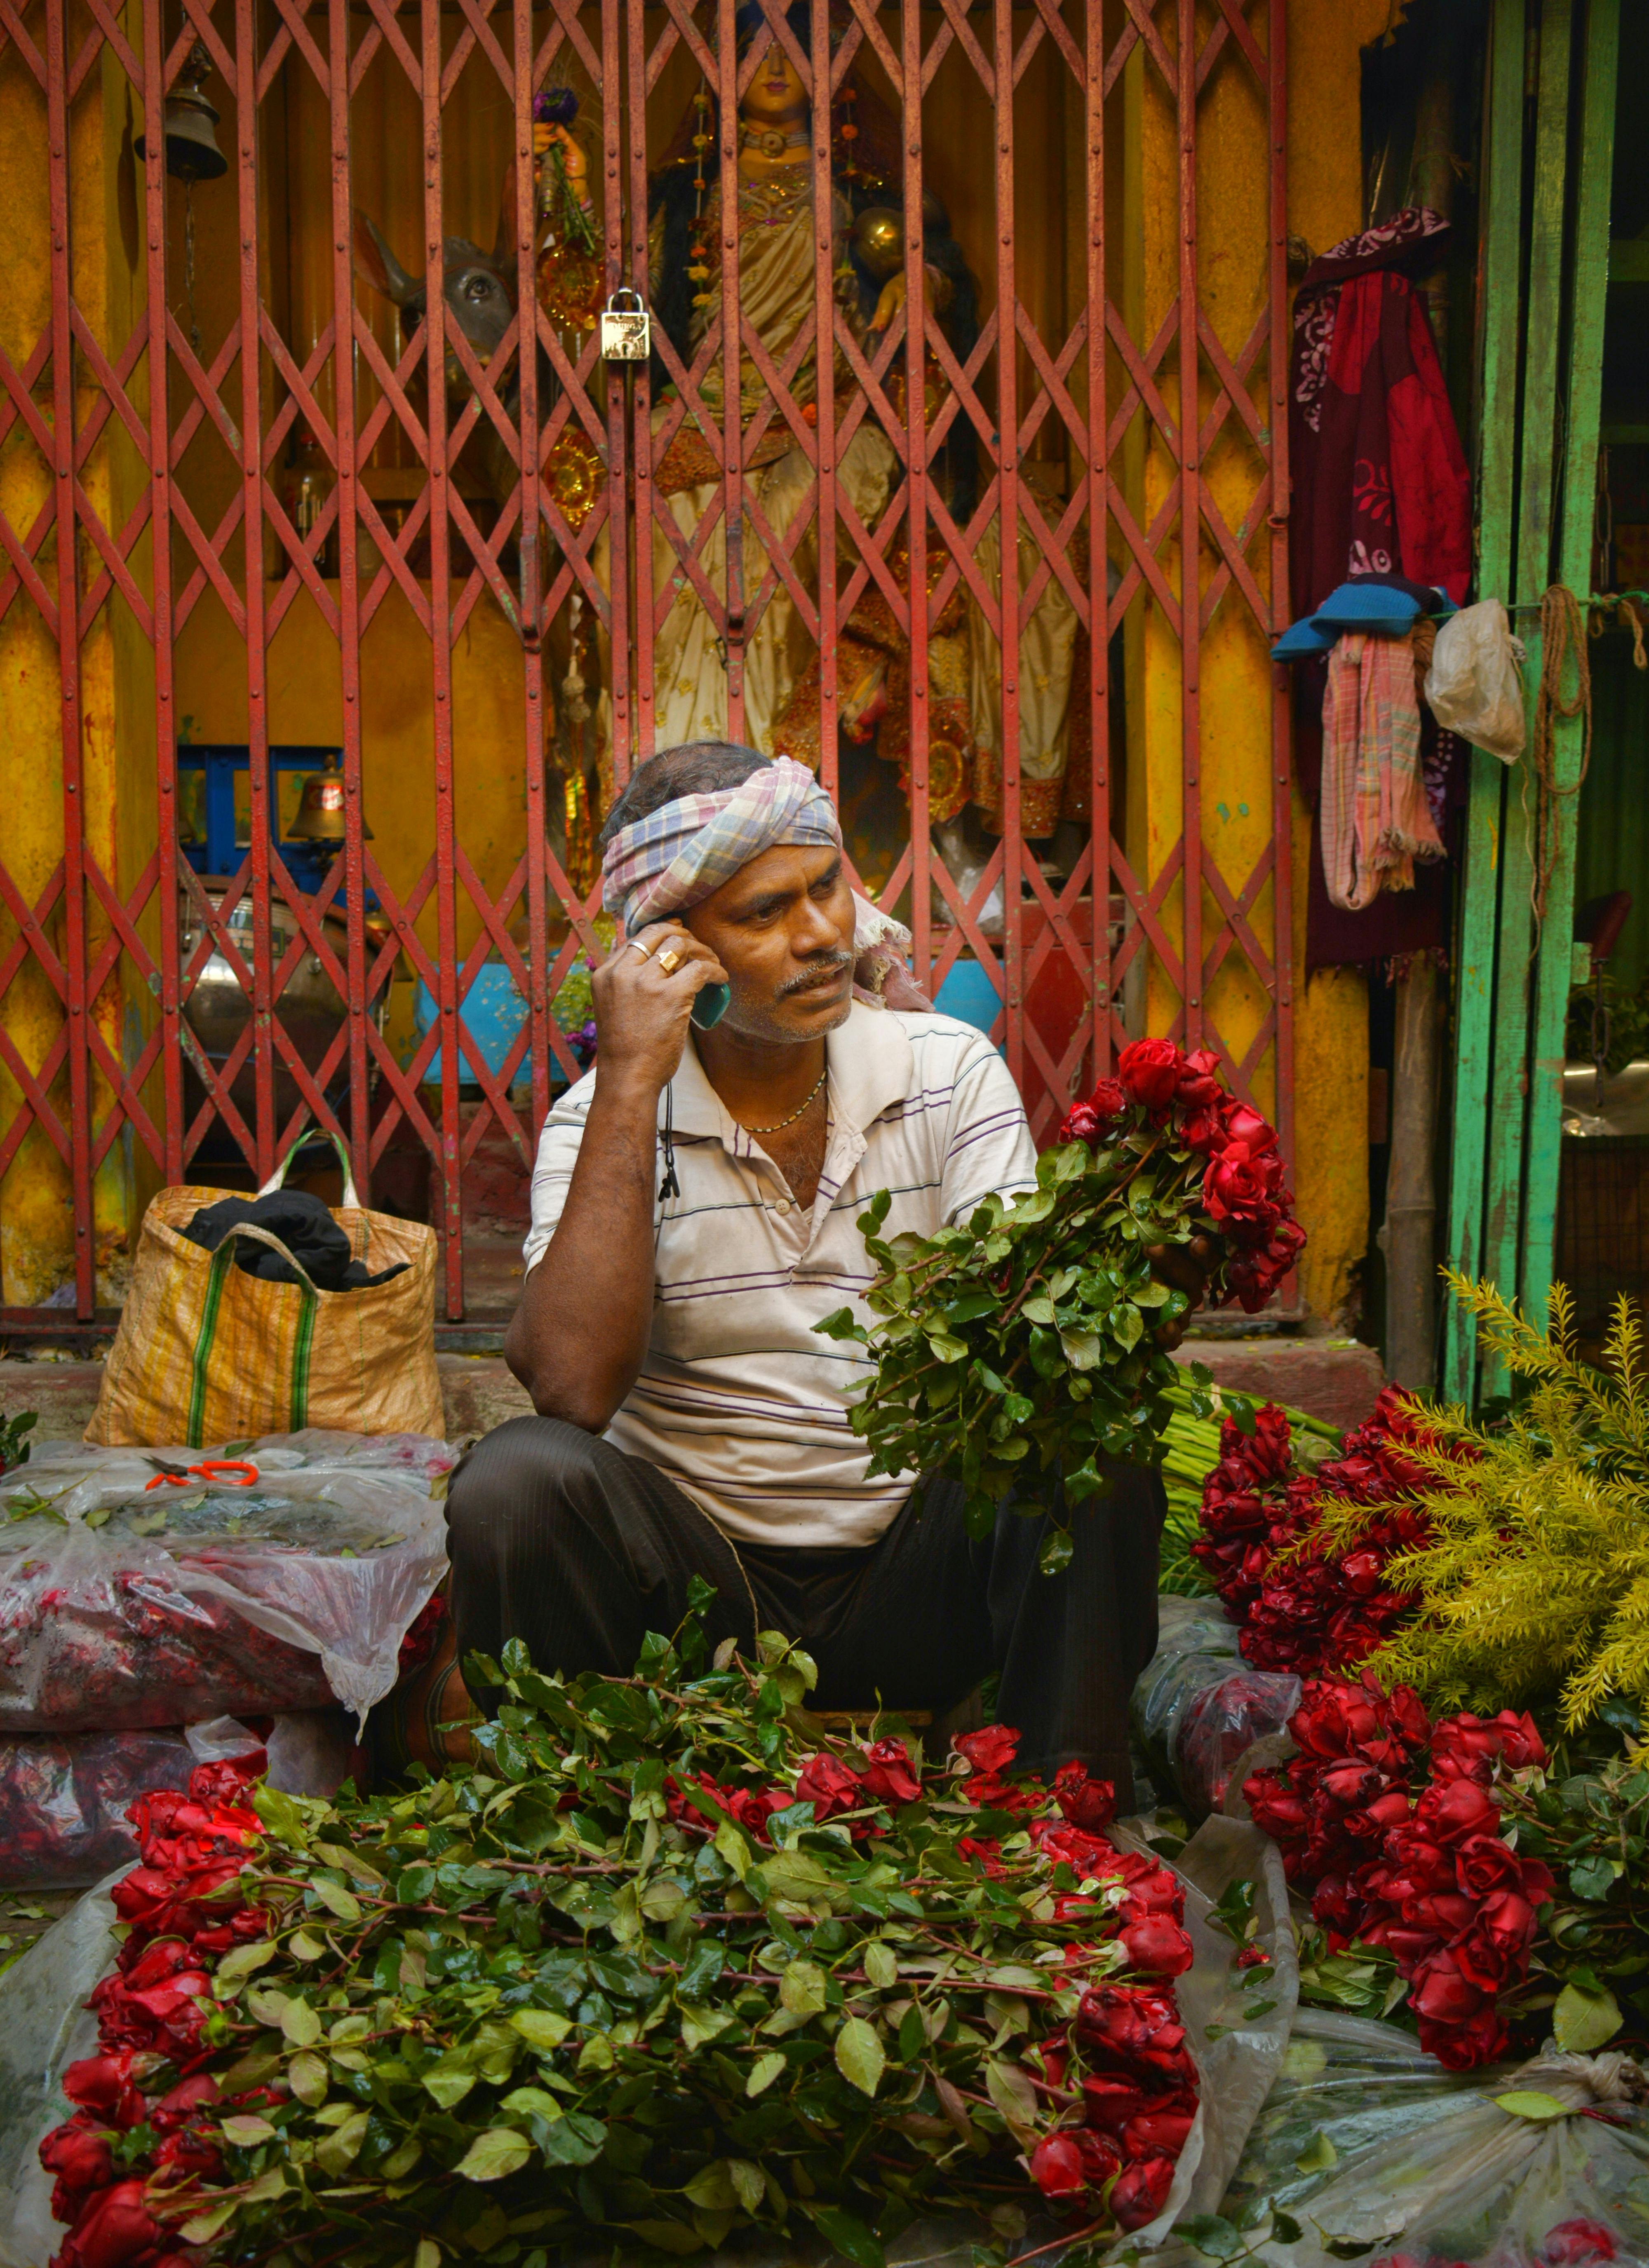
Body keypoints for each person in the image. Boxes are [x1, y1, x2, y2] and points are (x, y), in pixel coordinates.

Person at [447, 741, 1192, 1798]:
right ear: (672, 952)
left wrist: (1136, 1280)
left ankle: (1063, 1821)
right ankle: (589, 1817)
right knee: (515, 1480)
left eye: (826, 887)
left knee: (1086, 1439)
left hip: (915, 1583)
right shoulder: (599, 1125)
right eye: (763, 913)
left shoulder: (945, 1075)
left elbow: (1025, 1353)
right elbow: (568, 1389)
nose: (820, 935)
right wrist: (631, 1080)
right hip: (694, 1614)